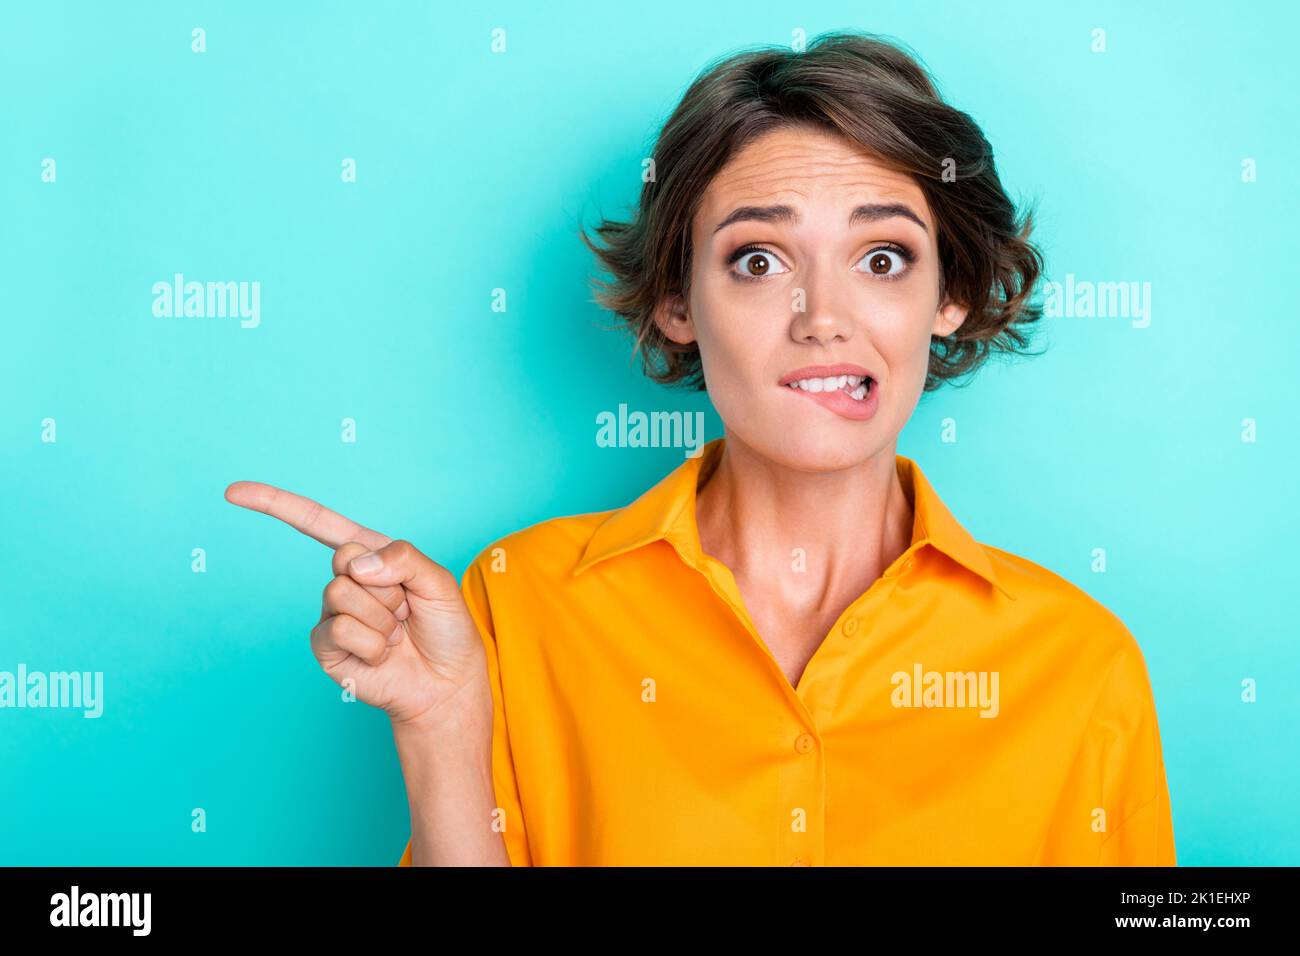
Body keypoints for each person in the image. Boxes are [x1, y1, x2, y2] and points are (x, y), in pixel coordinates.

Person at [226, 31, 1175, 866]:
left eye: (883, 258)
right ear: (679, 303)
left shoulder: (1081, 664)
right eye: (757, 260)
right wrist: (438, 730)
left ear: (951, 296)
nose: (824, 320)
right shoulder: (515, 607)